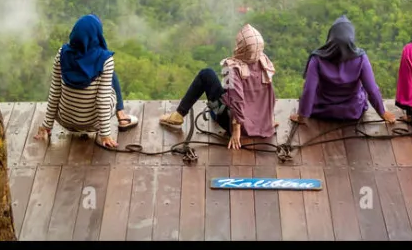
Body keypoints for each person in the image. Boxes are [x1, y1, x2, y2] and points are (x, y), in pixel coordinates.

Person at [159, 24, 277, 150]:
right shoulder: (264, 61)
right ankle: (219, 113)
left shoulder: (231, 68)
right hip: (260, 122)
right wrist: (266, 120)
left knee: (206, 74)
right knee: (226, 88)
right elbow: (269, 94)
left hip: (235, 123)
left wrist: (236, 130)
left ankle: (179, 115)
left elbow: (237, 101)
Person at [34, 15, 138, 150]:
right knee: (109, 90)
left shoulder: (62, 54)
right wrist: (105, 134)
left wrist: (47, 125)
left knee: (59, 88)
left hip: (64, 120)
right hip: (92, 123)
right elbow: (102, 100)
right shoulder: (105, 59)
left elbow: (55, 91)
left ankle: (51, 124)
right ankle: (121, 116)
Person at [290, 16, 395, 125]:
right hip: (352, 111)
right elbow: (372, 89)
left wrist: (302, 116)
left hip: (322, 110)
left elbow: (309, 90)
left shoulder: (317, 59)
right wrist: (382, 112)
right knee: (362, 90)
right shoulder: (361, 58)